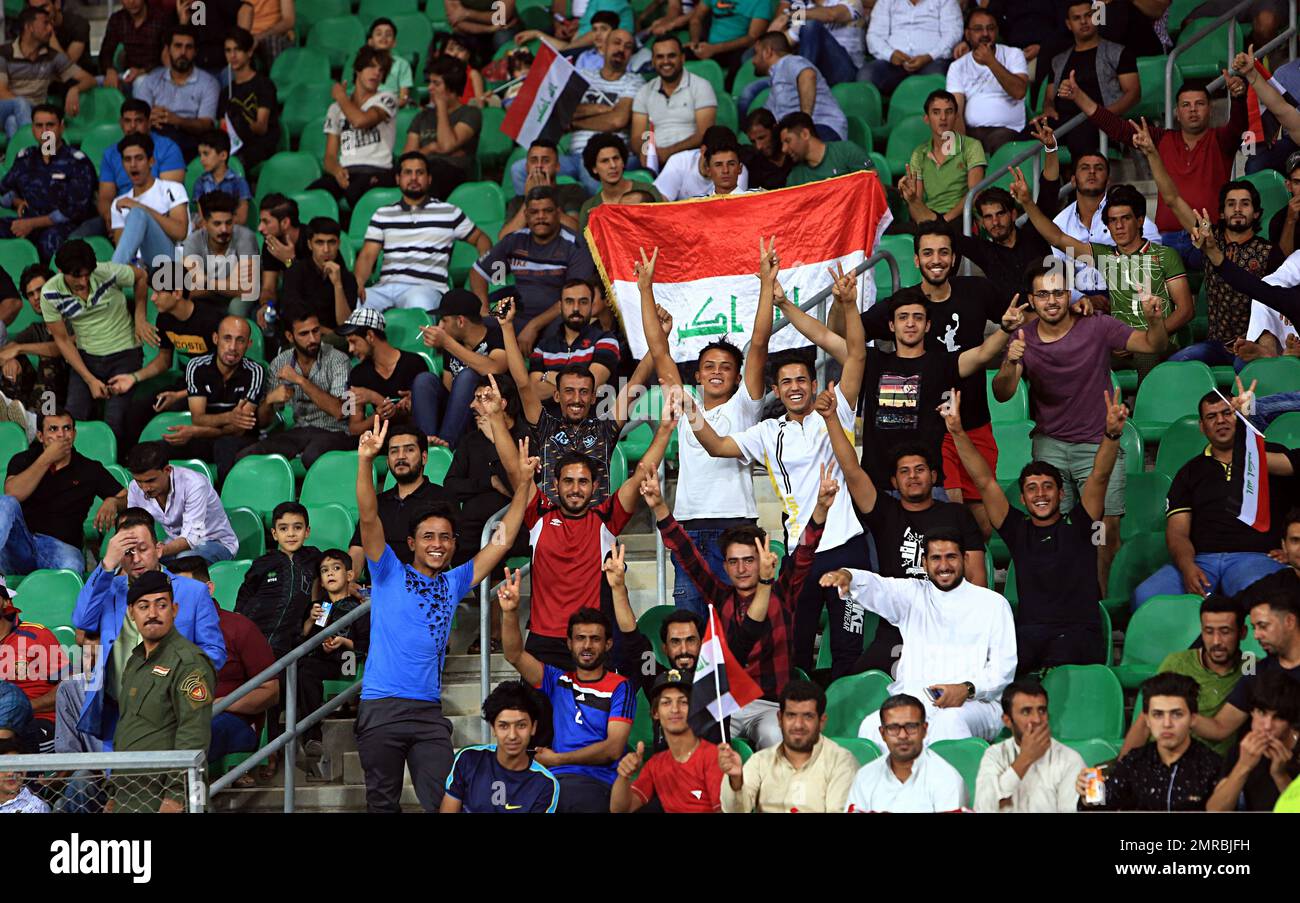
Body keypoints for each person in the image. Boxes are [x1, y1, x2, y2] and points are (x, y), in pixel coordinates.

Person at [688, 264, 868, 675]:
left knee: (847, 651)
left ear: (813, 381)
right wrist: (691, 413)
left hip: (846, 546)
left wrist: (847, 305)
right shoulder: (768, 432)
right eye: (785, 382)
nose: (795, 387)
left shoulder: (834, 406)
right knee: (797, 649)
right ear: (776, 389)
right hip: (799, 554)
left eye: (801, 379)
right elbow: (717, 446)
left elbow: (854, 353)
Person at [354, 416, 531, 812]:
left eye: (445, 538)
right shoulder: (387, 571)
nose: (437, 545)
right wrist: (366, 461)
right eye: (429, 537)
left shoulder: (453, 583)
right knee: (381, 805)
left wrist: (522, 488)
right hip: (381, 708)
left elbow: (500, 542)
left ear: (454, 544)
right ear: (413, 542)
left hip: (427, 713)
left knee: (446, 802)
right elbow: (368, 517)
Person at [988, 267, 1162, 590]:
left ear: (1070, 295)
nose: (1051, 301)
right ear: (1031, 300)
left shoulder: (1096, 326)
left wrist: (1154, 320)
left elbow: (1152, 344)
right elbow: (1003, 393)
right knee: (1056, 533)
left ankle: (1101, 611)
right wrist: (1011, 362)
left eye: (1058, 293)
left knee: (1103, 533)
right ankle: (1063, 605)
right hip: (1049, 445)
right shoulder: (1022, 338)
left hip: (1098, 445)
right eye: (1043, 295)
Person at [642, 461, 833, 749]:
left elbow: (805, 549)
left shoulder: (783, 592)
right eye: (734, 561)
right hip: (726, 703)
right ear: (726, 566)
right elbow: (687, 553)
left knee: (775, 737)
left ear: (763, 560)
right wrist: (659, 507)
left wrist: (820, 510)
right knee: (689, 733)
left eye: (749, 560)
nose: (742, 568)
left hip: (770, 706)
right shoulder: (720, 596)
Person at [485, 376, 674, 668]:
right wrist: (496, 417)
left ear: (594, 486)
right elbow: (513, 469)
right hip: (543, 641)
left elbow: (641, 474)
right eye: (569, 481)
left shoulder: (607, 519)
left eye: (583, 482)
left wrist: (663, 431)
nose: (575, 489)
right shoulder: (539, 514)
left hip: (590, 641)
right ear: (555, 484)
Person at [944, 385, 1123, 671]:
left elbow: (1099, 476)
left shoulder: (1079, 526)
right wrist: (957, 433)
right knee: (987, 670)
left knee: (1058, 669)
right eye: (1032, 488)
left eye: (1048, 487)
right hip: (1029, 635)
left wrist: (1111, 434)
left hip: (1078, 634)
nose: (1040, 494)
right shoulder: (1017, 530)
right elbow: (984, 481)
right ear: (1024, 498)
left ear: (1061, 494)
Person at [637, 242, 770, 617]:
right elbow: (658, 351)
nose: (716, 371)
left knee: (739, 620)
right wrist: (645, 289)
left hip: (737, 527)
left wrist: (765, 283)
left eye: (725, 366)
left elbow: (759, 342)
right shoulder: (684, 400)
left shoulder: (746, 403)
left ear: (738, 376)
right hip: (689, 528)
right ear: (697, 375)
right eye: (708, 365)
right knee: (691, 622)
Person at [820, 392, 987, 674]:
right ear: (895, 481)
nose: (913, 476)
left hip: (949, 622)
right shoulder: (886, 512)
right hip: (897, 625)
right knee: (861, 685)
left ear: (933, 477)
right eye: (905, 472)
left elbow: (977, 578)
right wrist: (831, 418)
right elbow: (851, 469)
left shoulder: (957, 515)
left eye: (920, 469)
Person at [823, 531, 1017, 743]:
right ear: (924, 563)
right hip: (916, 702)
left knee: (949, 723)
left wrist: (967, 689)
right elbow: (878, 586)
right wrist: (848, 576)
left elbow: (1003, 671)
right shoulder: (913, 595)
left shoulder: (993, 604)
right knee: (872, 726)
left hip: (975, 705)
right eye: (936, 558)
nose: (944, 565)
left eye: (951, 556)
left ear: (965, 559)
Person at [1133, 119, 1280, 368]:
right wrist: (1151, 153)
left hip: (1253, 344)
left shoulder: (1268, 252)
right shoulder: (1208, 240)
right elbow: (1172, 198)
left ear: (1256, 213)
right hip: (1215, 345)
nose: (1237, 209)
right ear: (1220, 213)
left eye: (1245, 204)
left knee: (1244, 372)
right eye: (1231, 204)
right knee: (1175, 365)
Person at [1063, 70, 1248, 266]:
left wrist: (1238, 98)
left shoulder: (1221, 140)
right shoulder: (1161, 139)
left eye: (1199, 104)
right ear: (1177, 112)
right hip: (1166, 239)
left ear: (1210, 109)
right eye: (1186, 105)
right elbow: (1116, 127)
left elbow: (1238, 125)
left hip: (1209, 237)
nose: (1193, 110)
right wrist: (1079, 97)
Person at [853, 286, 1025, 496]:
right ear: (891, 325)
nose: (910, 323)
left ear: (927, 326)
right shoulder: (871, 361)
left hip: (930, 489)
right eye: (903, 317)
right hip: (878, 489)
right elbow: (825, 337)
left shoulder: (943, 364)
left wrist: (1005, 330)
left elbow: (982, 354)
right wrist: (843, 304)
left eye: (917, 317)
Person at [1133, 390, 1294, 609]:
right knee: (1146, 596)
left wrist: (1292, 550)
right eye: (1211, 416)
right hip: (1202, 560)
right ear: (1202, 426)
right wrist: (1187, 566)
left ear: (1238, 416)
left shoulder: (1272, 457)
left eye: (1227, 413)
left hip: (1256, 557)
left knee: (1266, 599)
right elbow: (1177, 531)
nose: (1220, 421)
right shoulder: (1189, 472)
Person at [496, 297, 655, 507]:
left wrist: (659, 336)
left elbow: (636, 382)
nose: (577, 399)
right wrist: (507, 327)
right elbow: (524, 384)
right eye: (569, 391)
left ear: (593, 397)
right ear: (557, 396)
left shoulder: (604, 430)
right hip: (552, 530)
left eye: (583, 392)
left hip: (594, 530)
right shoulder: (546, 428)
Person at [905, 120, 1062, 306]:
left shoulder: (1034, 231)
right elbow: (940, 229)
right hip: (1011, 323)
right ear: (981, 223)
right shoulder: (985, 252)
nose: (995, 222)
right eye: (988, 217)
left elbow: (1049, 191)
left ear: (1013, 215)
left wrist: (1051, 149)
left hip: (1051, 309)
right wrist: (915, 202)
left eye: (1000, 214)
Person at [110, 570, 214, 812]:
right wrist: (115, 793)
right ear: (131, 613)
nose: (152, 614)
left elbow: (194, 733)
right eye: (143, 606)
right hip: (130, 794)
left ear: (174, 610)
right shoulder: (134, 661)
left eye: (161, 605)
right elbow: (128, 727)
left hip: (164, 799)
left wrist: (177, 796)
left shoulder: (189, 662)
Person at [167, 555, 277, 770]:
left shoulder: (240, 627)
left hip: (232, 721)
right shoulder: (165, 635)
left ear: (208, 589)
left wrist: (223, 703)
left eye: (187, 590)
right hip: (180, 719)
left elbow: (271, 691)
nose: (180, 598)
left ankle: (178, 797)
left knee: (195, 732)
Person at [355, 152, 492, 314]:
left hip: (426, 287)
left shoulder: (448, 212)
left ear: (429, 179)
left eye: (419, 173)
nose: (414, 178)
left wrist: (485, 266)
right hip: (385, 288)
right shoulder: (383, 213)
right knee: (361, 307)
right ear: (397, 179)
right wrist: (359, 283)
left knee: (418, 302)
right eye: (408, 172)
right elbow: (367, 256)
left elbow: (480, 238)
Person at [41, 240, 149, 439]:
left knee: (114, 421)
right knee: (73, 419)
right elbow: (63, 340)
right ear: (60, 271)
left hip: (124, 354)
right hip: (86, 358)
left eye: (86, 274)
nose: (83, 281)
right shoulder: (49, 293)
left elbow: (141, 277)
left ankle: (112, 468)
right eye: (76, 276)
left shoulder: (107, 272)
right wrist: (89, 379)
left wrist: (140, 316)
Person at [1, 409, 123, 575]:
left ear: (74, 434)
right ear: (40, 436)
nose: (61, 435)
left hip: (60, 548)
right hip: (20, 544)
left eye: (67, 428)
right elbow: (12, 494)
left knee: (72, 566)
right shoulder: (23, 459)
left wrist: (114, 501)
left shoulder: (90, 468)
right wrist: (46, 459)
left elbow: (129, 496)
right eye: (53, 429)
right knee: (6, 502)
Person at [1077, 673, 1222, 812]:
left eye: (1177, 714)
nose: (1167, 723)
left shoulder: (1213, 766)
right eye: (1158, 714)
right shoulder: (1134, 762)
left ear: (1193, 718)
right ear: (1147, 720)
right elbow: (1101, 804)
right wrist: (1086, 798)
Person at [114, 289, 230, 451]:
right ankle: (134, 463)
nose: (153, 298)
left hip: (216, 388)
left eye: (159, 293)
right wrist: (133, 377)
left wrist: (178, 396)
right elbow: (164, 360)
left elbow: (223, 371)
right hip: (188, 383)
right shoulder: (165, 319)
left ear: (176, 293)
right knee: (136, 412)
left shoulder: (211, 320)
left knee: (173, 409)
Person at [471, 187, 596, 335]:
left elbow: (575, 297)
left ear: (558, 212)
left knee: (565, 330)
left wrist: (533, 326)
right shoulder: (514, 240)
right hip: (517, 315)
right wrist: (484, 310)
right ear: (526, 215)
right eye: (534, 212)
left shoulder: (575, 245)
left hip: (558, 318)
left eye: (547, 211)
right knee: (475, 327)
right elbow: (478, 272)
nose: (540, 217)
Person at [719, 679, 857, 812]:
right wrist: (736, 781)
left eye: (808, 716)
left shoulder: (842, 763)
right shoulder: (760, 761)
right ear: (779, 719)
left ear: (821, 721)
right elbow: (736, 810)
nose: (798, 725)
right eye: (791, 715)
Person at [239, 308, 353, 469]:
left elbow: (341, 412)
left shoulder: (338, 360)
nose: (313, 339)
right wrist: (270, 400)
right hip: (299, 431)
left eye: (315, 331)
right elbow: (264, 423)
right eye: (304, 334)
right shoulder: (280, 363)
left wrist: (300, 380)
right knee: (248, 455)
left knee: (312, 456)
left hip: (335, 431)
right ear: (289, 336)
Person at [1044, 150, 1161, 306]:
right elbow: (1057, 273)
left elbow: (1154, 247)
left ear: (1108, 181)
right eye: (1085, 168)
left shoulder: (1124, 213)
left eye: (1099, 168)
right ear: (1072, 180)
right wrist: (1080, 298)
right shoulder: (1060, 223)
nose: (1092, 172)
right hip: (1079, 301)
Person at [1193, 593, 1300, 751]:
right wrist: (1183, 715)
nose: (1256, 635)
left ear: (1289, 621)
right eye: (1254, 627)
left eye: (1263, 626)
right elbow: (1221, 727)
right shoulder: (1256, 671)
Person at [346, 422, 453, 578]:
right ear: (388, 460)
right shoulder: (377, 502)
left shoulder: (443, 499)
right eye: (394, 451)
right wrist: (349, 580)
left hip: (424, 591)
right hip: (376, 594)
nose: (401, 456)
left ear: (424, 458)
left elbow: (449, 553)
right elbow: (358, 549)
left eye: (409, 450)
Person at [1037, 0, 1139, 163]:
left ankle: (1078, 184)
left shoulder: (1118, 52)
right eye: (1077, 18)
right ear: (1069, 24)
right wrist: (1048, 108)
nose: (1083, 21)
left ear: (1097, 17)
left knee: (1080, 133)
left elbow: (1133, 93)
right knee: (1028, 134)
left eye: (1088, 16)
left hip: (1098, 122)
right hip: (1064, 121)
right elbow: (1049, 97)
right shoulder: (1058, 60)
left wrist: (1104, 115)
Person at [611, 668, 724, 812]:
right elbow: (621, 809)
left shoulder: (714, 757)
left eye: (683, 702)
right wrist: (623, 776)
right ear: (655, 713)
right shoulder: (655, 764)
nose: (675, 709)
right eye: (666, 703)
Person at [440, 679, 559, 813]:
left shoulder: (545, 784)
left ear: (533, 727)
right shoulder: (468, 759)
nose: (512, 735)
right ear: (493, 728)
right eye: (503, 726)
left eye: (521, 725)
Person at [297, 549, 368, 764]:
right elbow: (307, 640)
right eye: (324, 570)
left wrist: (344, 643)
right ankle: (311, 739)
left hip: (347, 662)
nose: (330, 574)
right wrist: (310, 621)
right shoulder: (321, 609)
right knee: (303, 668)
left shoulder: (359, 608)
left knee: (307, 670)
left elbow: (366, 644)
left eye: (336, 568)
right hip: (323, 661)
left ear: (349, 575)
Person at [307, 46, 399, 212]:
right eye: (371, 66)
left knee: (356, 191)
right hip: (348, 170)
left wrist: (341, 96)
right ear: (358, 69)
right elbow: (330, 156)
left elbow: (360, 121)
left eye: (381, 70)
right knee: (313, 195)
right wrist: (336, 171)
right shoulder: (336, 109)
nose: (377, 73)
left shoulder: (387, 99)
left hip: (378, 169)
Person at [412, 290, 507, 447]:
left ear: (461, 321)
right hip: (458, 415)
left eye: (444, 321)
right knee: (424, 380)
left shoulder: (496, 335)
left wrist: (447, 343)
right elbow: (450, 392)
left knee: (468, 375)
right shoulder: (452, 344)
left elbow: (495, 368)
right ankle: (426, 445)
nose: (440, 327)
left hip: (487, 410)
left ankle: (445, 447)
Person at [974, 679, 1086, 813]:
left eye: (1041, 711)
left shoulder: (1069, 760)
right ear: (1007, 721)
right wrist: (1024, 760)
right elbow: (983, 808)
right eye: (1026, 712)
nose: (1037, 719)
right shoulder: (995, 755)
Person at [0, 104, 95, 260]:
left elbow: (75, 211)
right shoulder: (26, 157)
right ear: (32, 129)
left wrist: (32, 224)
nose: (45, 132)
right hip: (26, 222)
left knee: (49, 242)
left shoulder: (77, 161)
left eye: (50, 125)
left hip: (62, 227)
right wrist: (17, 202)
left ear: (61, 127)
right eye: (39, 126)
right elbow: (4, 190)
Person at [846, 693, 967, 812]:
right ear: (882, 733)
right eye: (893, 728)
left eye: (911, 727)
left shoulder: (946, 779)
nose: (903, 735)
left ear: (924, 730)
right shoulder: (865, 776)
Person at [234, 500, 321, 663]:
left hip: (288, 642)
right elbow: (245, 595)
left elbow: (335, 568)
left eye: (297, 527)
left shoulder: (314, 557)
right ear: (274, 534)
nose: (291, 534)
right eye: (283, 528)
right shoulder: (263, 563)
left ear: (307, 531)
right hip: (254, 637)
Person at [125, 442, 237, 565]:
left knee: (184, 559)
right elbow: (133, 526)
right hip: (174, 542)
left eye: (151, 480)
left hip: (213, 542)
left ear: (167, 470)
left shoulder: (194, 484)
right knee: (132, 561)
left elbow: (193, 538)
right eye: (139, 481)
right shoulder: (135, 487)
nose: (145, 488)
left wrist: (158, 551)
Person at [182, 315, 264, 480]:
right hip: (207, 438)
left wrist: (197, 431)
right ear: (215, 338)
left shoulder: (255, 371)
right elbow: (198, 418)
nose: (233, 347)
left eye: (240, 340)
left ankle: (224, 502)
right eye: (227, 338)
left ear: (249, 344)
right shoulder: (196, 367)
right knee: (158, 450)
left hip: (240, 439)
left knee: (225, 446)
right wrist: (229, 417)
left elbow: (240, 428)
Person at [1206, 671, 1300, 811]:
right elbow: (1215, 810)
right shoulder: (1242, 749)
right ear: (1252, 712)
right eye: (1262, 713)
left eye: (1279, 718)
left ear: (1290, 722)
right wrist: (1244, 766)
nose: (1267, 726)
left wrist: (1280, 776)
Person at [944, 7, 1027, 155]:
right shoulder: (957, 66)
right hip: (972, 132)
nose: (985, 34)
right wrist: (961, 147)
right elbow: (956, 112)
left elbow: (1019, 92)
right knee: (948, 146)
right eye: (978, 29)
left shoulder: (1014, 54)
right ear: (967, 34)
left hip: (1007, 131)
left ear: (997, 31)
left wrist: (991, 62)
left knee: (997, 142)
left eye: (990, 28)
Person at [95, 100, 185, 237]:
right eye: (127, 121)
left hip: (158, 219)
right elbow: (105, 196)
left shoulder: (168, 148)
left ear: (149, 122)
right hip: (121, 211)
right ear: (120, 123)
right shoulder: (110, 153)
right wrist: (110, 215)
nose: (132, 126)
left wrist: (135, 208)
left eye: (138, 121)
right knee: (78, 237)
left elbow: (165, 197)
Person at [131, 25, 219, 160]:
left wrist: (176, 120)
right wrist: (148, 117)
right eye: (178, 46)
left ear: (195, 51)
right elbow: (137, 117)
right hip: (154, 136)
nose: (183, 52)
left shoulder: (209, 83)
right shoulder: (152, 80)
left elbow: (206, 125)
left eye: (188, 47)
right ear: (168, 50)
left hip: (189, 141)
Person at [339, 308, 428, 437]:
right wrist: (377, 416)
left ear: (370, 336)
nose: (350, 349)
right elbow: (354, 428)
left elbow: (424, 417)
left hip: (414, 437)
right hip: (382, 440)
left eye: (353, 341)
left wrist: (374, 398)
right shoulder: (357, 374)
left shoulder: (414, 363)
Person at [631, 35, 717, 168]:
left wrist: (668, 153)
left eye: (671, 56)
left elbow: (705, 133)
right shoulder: (644, 92)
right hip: (655, 160)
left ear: (682, 58)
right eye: (659, 57)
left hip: (692, 157)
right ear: (653, 61)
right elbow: (638, 136)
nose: (666, 61)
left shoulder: (701, 86)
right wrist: (645, 151)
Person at [0, 579, 66, 751]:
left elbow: (68, 688)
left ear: (7, 602)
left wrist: (21, 708)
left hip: (37, 721)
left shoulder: (37, 635)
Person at [0, 6, 93, 127]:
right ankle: (34, 142)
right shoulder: (4, 53)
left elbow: (89, 79)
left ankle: (24, 146)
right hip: (5, 107)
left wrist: (74, 89)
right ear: (29, 27)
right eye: (46, 24)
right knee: (20, 103)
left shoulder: (52, 56)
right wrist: (28, 109)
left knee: (12, 122)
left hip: (29, 115)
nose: (51, 29)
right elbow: (1, 92)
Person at [403, 56, 481, 200]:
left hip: (454, 173)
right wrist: (431, 148)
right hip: (421, 171)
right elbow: (407, 159)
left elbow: (446, 145)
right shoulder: (422, 117)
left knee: (436, 173)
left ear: (452, 88)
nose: (429, 88)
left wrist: (441, 107)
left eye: (436, 84)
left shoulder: (470, 113)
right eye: (430, 82)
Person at [109, 134, 190, 268]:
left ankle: (110, 277)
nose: (133, 165)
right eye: (127, 160)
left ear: (151, 161)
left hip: (172, 263)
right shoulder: (119, 203)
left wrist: (141, 207)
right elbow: (123, 251)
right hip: (141, 268)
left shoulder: (172, 189)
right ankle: (113, 277)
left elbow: (180, 233)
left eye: (139, 158)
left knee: (137, 213)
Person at [906, 90, 986, 222]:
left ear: (956, 117)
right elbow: (917, 201)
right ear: (926, 118)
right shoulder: (919, 153)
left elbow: (974, 194)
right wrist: (924, 218)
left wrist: (944, 221)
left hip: (962, 218)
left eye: (949, 112)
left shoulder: (972, 146)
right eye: (936, 112)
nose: (943, 118)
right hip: (930, 218)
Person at [752, 32, 847, 143]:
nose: (753, 61)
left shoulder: (789, 61)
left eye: (756, 53)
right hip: (798, 136)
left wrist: (804, 122)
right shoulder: (775, 83)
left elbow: (807, 75)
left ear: (768, 52)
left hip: (823, 127)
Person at [527, 280, 620, 389]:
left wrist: (548, 376)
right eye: (569, 301)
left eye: (583, 302)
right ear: (560, 306)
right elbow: (534, 392)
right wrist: (574, 383)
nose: (576, 308)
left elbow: (587, 387)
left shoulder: (606, 340)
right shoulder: (543, 347)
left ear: (591, 305)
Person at [279, 217, 356, 336]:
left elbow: (345, 325)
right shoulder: (296, 272)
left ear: (338, 244)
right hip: (304, 337)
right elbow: (295, 318)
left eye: (332, 242)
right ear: (310, 244)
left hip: (337, 343)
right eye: (319, 242)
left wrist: (338, 285)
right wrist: (331, 334)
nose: (326, 249)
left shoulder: (348, 278)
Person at [863, 0, 961, 93]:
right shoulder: (886, 1)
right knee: (866, 75)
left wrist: (929, 56)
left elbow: (953, 33)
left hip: (933, 62)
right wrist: (890, 54)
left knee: (938, 76)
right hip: (893, 64)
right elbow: (874, 36)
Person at [218, 27, 278, 172]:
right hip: (234, 147)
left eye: (237, 50)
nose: (232, 56)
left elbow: (261, 127)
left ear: (249, 52)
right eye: (228, 50)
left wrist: (242, 122)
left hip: (259, 146)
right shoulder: (226, 92)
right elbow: (223, 128)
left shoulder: (264, 84)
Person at [578, 132, 664, 230]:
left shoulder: (648, 191)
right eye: (605, 161)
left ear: (623, 162)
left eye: (616, 158)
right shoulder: (589, 207)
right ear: (594, 168)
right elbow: (583, 243)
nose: (613, 165)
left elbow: (661, 228)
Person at [769, 0, 864, 89]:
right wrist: (772, 38)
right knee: (758, 87)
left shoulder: (852, 1)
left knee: (811, 25)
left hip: (846, 70)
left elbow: (831, 15)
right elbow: (788, 39)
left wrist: (790, 15)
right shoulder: (807, 10)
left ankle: (800, 84)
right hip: (818, 72)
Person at [501, 140, 586, 236]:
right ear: (526, 167)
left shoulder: (572, 190)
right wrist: (529, 199)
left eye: (546, 161)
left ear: (557, 166)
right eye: (534, 161)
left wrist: (548, 197)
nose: (539, 166)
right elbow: (504, 238)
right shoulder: (518, 201)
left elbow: (575, 230)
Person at [650, 124, 748, 202]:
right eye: (718, 163)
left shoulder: (738, 172)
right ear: (703, 150)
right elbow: (661, 201)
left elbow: (731, 209)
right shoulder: (679, 162)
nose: (725, 170)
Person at [686, 0, 770, 88]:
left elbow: (753, 38)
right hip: (706, 45)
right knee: (677, 55)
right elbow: (696, 18)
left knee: (739, 64)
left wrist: (714, 49)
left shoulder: (761, 2)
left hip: (735, 49)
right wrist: (694, 41)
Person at [777, 111, 873, 187]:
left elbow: (875, 188)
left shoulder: (847, 151)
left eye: (788, 141)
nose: (783, 149)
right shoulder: (795, 178)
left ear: (805, 134)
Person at [254, 193, 308, 322]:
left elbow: (312, 288)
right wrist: (267, 305)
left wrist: (289, 261)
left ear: (285, 222)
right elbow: (268, 288)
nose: (259, 228)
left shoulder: (312, 241)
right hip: (291, 303)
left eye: (266, 222)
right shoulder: (272, 243)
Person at [99, 0, 171, 94]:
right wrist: (110, 70)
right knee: (95, 82)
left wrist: (142, 71)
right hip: (127, 74)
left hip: (155, 73)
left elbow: (168, 58)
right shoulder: (117, 19)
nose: (131, 2)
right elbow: (106, 52)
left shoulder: (161, 19)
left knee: (140, 83)